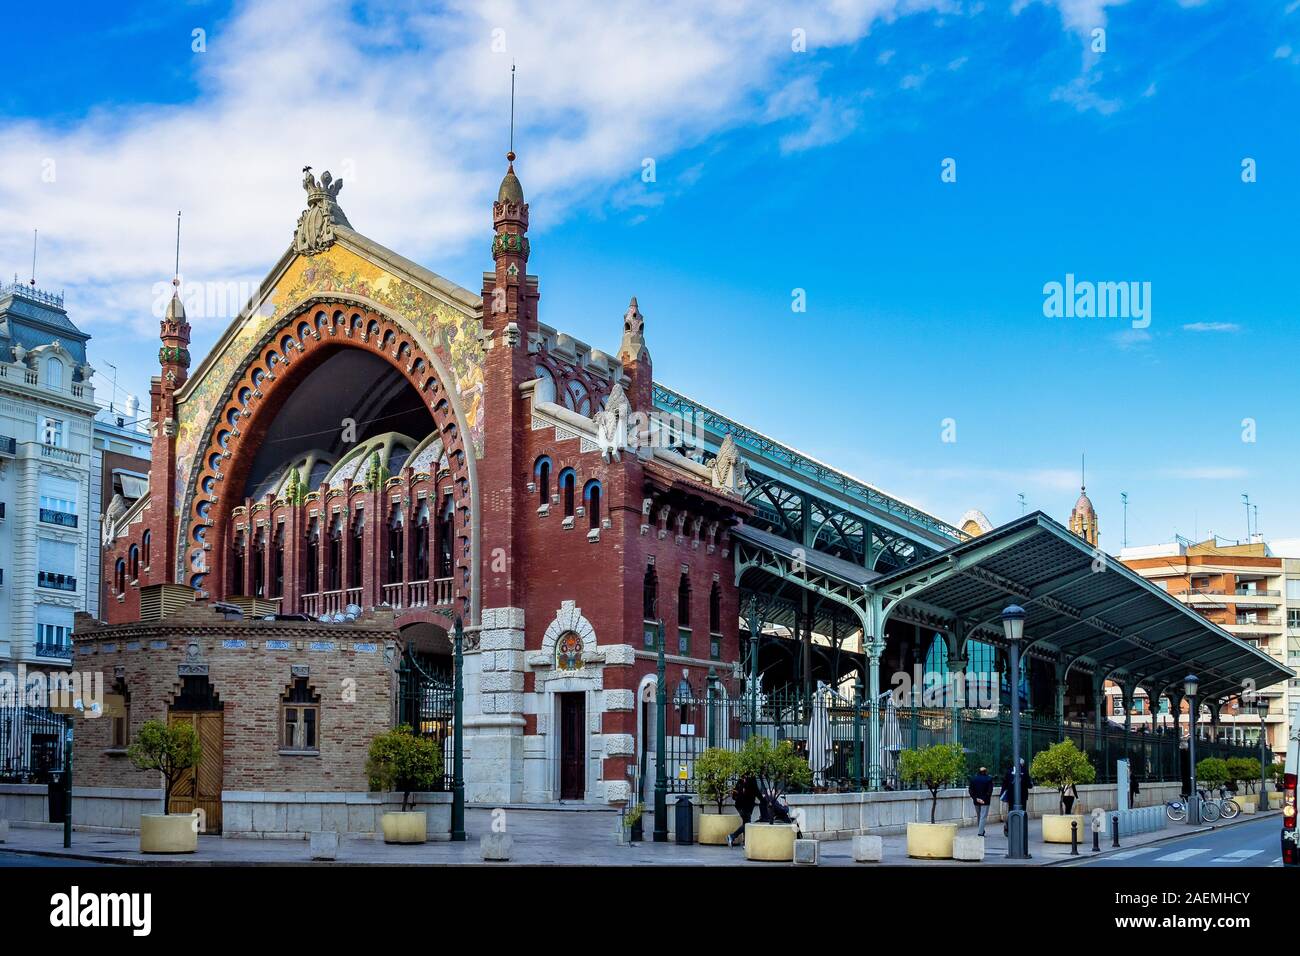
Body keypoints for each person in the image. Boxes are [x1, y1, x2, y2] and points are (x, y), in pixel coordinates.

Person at [727, 772, 760, 847]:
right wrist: (763, 800)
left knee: (746, 822)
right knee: (747, 824)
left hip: (740, 805)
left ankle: (745, 842)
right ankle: (732, 836)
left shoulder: (740, 780)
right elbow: (756, 791)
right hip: (745, 806)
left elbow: (734, 795)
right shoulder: (751, 779)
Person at [1001, 758, 1031, 835]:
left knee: (1011, 811)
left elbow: (1004, 784)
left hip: (1011, 796)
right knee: (1022, 812)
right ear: (1022, 764)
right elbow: (1029, 785)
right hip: (1022, 796)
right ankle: (1020, 830)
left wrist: (1002, 795)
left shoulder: (1009, 771)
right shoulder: (1024, 771)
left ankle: (1009, 827)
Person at [968, 765, 994, 837]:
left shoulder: (973, 779)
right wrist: (983, 799)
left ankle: (981, 830)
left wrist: (976, 798)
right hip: (985, 801)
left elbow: (970, 791)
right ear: (985, 772)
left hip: (976, 801)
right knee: (983, 816)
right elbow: (989, 791)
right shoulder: (989, 779)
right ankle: (980, 832)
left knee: (979, 816)